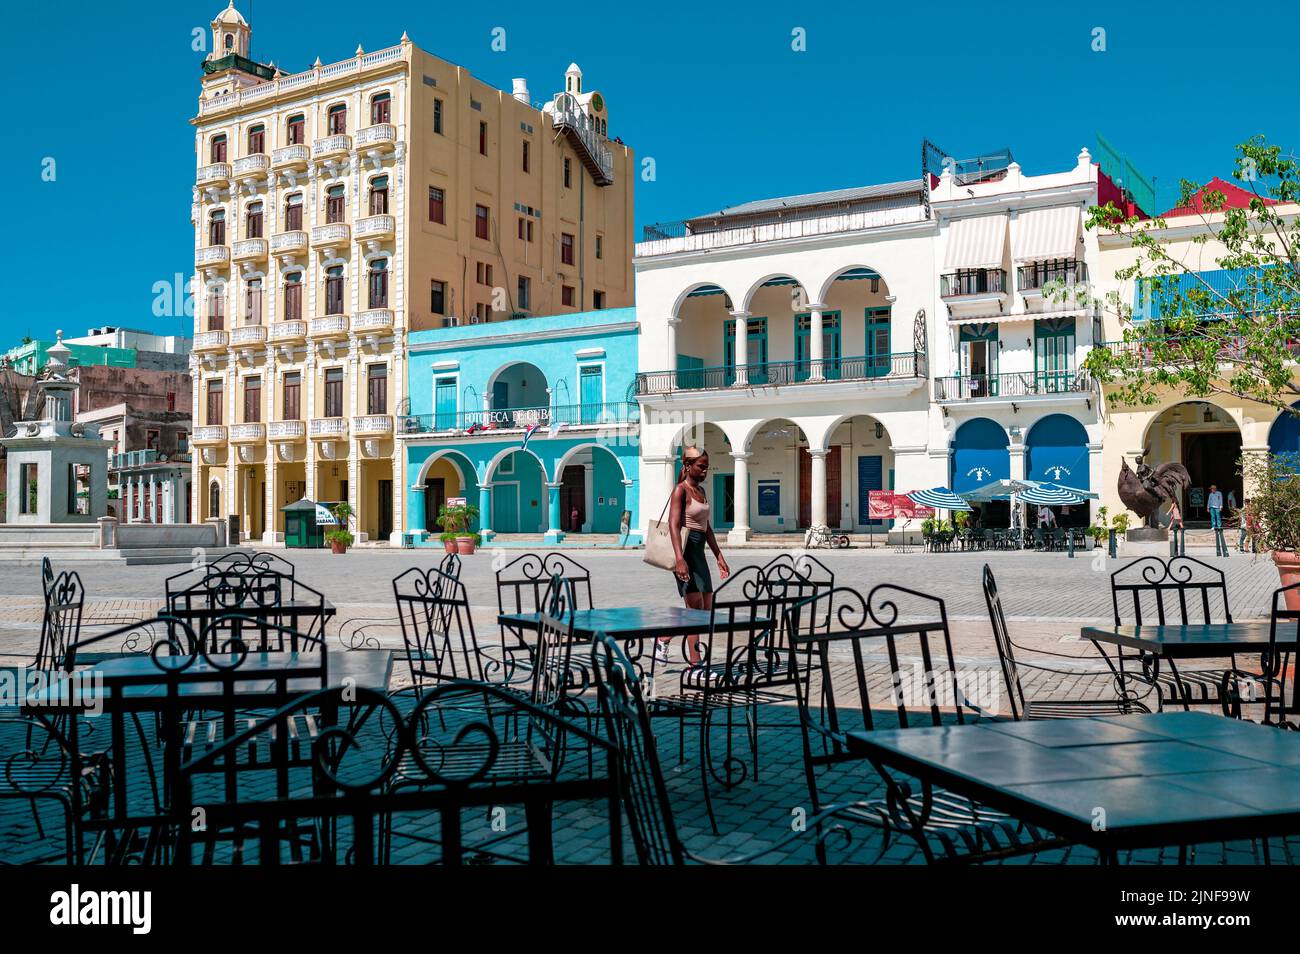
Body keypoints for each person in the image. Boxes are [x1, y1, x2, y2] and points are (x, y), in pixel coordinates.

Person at [662, 446, 730, 664]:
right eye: (701, 466)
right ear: (688, 465)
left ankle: (663, 637)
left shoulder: (701, 492)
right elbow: (673, 525)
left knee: (704, 612)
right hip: (685, 552)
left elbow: (706, 526)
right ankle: (696, 664)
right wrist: (679, 559)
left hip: (699, 553)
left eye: (707, 468)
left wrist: (718, 555)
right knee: (694, 611)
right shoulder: (680, 490)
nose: (704, 471)